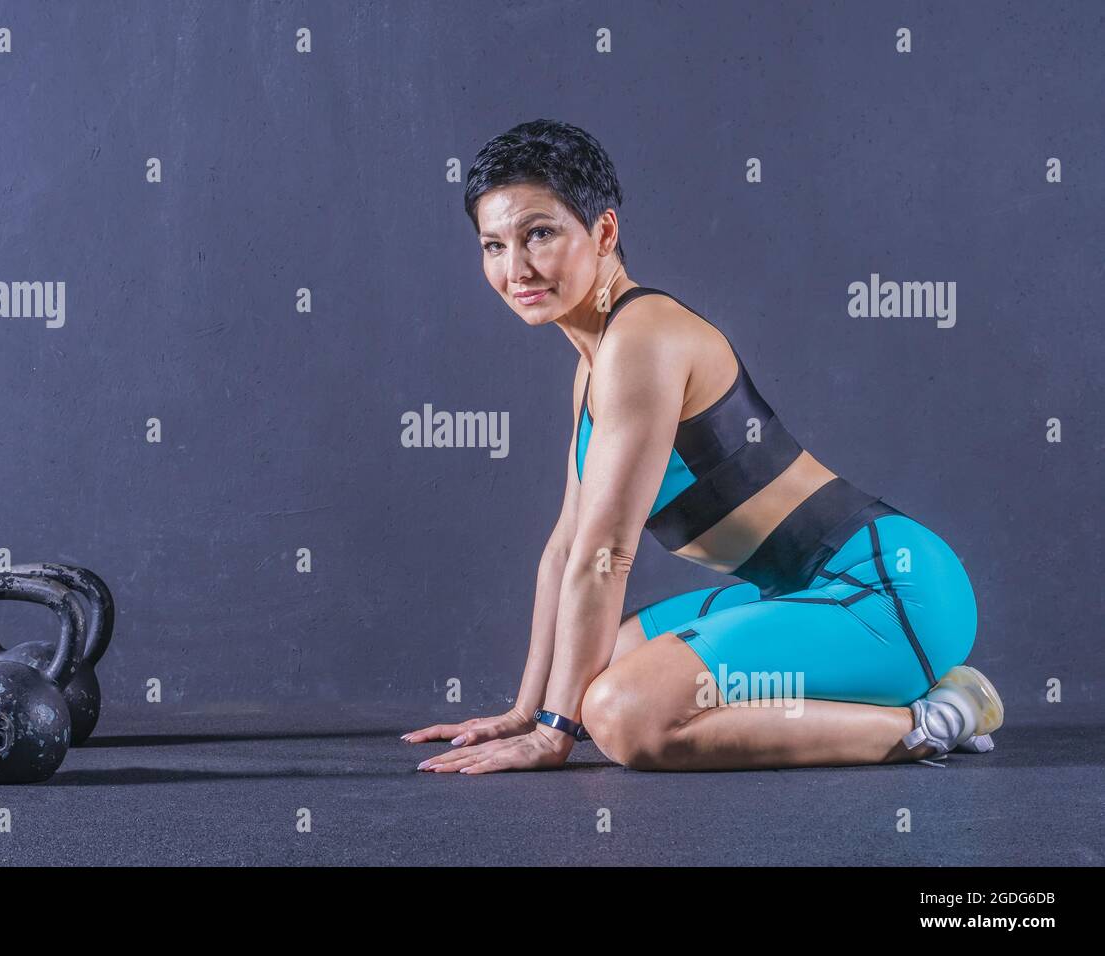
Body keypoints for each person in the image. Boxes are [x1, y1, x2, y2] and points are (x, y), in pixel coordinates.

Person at [404, 119, 1003, 775]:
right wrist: (527, 711)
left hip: (893, 592)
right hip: (806, 596)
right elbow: (565, 547)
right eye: (494, 245)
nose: (515, 268)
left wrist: (555, 734)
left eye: (539, 234)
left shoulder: (644, 337)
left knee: (622, 713)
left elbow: (607, 553)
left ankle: (937, 719)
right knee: (606, 667)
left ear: (604, 232)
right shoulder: (594, 360)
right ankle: (896, 695)